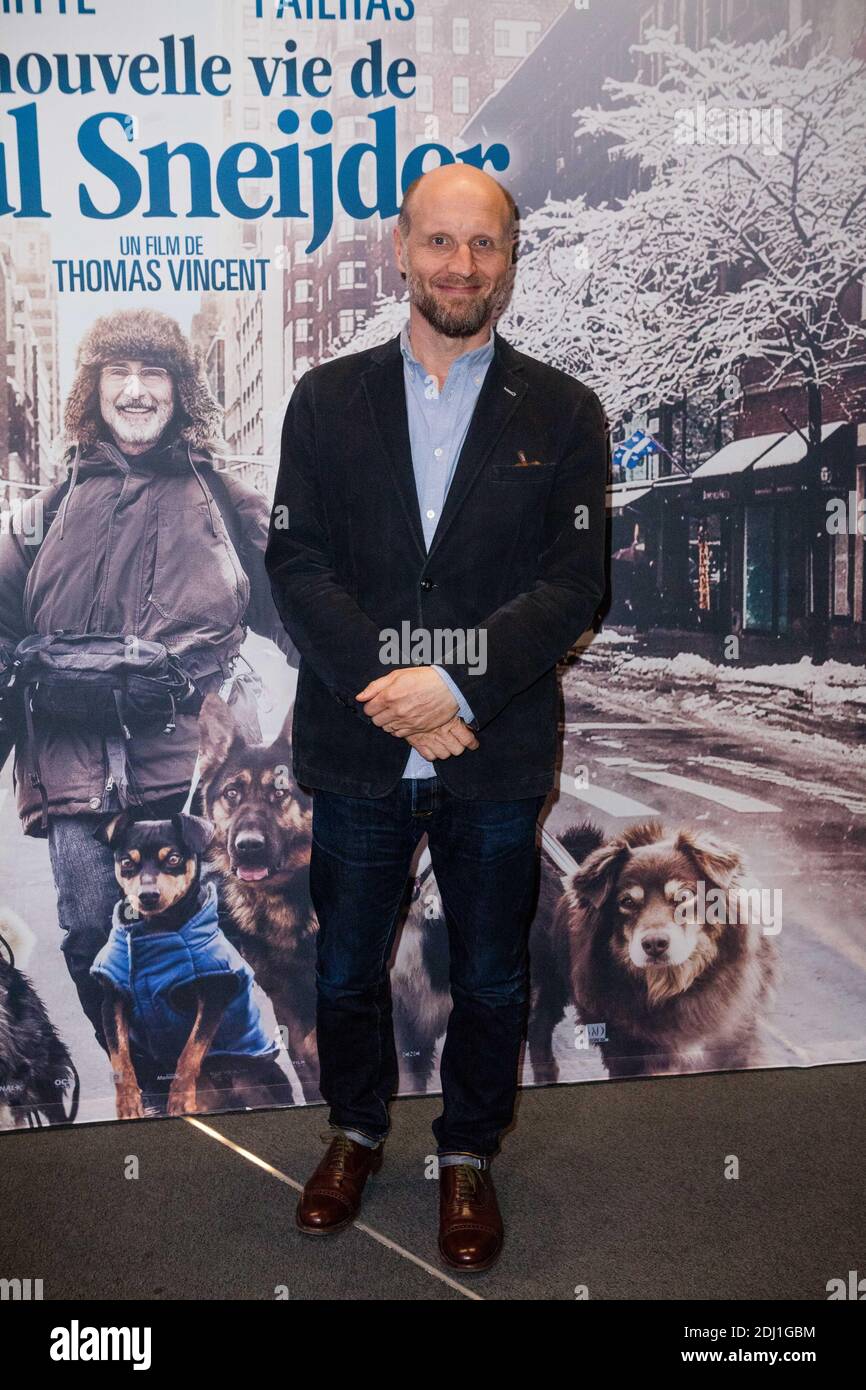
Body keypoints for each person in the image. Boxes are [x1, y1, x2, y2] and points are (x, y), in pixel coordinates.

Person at [266, 164, 609, 1272]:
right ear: (400, 251)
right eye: (440, 243)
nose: (461, 266)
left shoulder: (563, 410)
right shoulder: (325, 399)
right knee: (348, 966)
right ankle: (355, 1130)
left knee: (495, 974)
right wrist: (401, 693)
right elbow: (298, 561)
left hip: (492, 746)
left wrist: (452, 690)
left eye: (485, 245)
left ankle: (466, 1152)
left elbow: (571, 585)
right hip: (360, 743)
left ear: (510, 258)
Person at [0, 309, 298, 1053]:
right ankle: (146, 1085)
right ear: (92, 390)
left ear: (180, 389)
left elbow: (303, 623)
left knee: (220, 946)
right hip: (74, 777)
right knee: (92, 938)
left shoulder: (229, 509)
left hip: (195, 774)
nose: (135, 391)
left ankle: (230, 1087)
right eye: (118, 374)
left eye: (153, 373)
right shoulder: (38, 521)